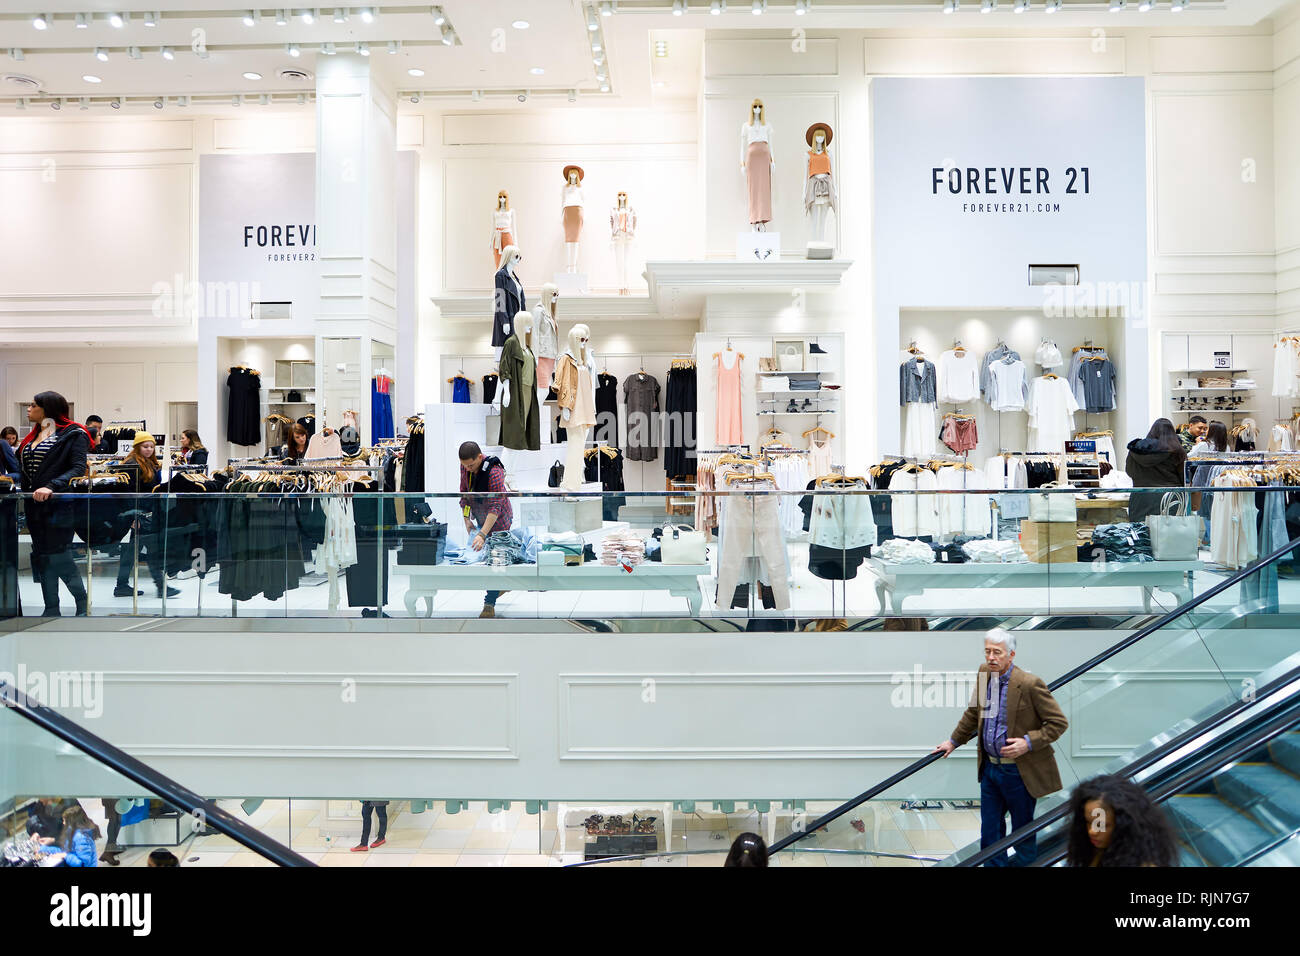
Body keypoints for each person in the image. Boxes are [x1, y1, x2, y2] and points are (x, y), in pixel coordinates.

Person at [933, 631, 1068, 866]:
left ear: (1011, 655)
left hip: (1019, 773)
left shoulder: (1029, 684)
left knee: (1022, 831)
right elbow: (974, 712)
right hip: (990, 770)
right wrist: (953, 741)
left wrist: (1027, 742)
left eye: (997, 652)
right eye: (988, 651)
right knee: (990, 833)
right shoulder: (984, 673)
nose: (991, 657)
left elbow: (1058, 723)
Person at [17, 391, 91, 616]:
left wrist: (52, 485)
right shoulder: (34, 436)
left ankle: (82, 601)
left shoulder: (73, 433)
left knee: (60, 556)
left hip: (59, 505)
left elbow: (78, 468)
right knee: (43, 557)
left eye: (33, 405)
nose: (29, 409)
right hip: (34, 506)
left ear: (46, 408)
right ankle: (51, 607)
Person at [111, 433, 179, 599]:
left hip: (146, 513)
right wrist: (132, 516)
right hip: (139, 514)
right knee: (151, 550)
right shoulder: (131, 465)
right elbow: (126, 493)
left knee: (130, 552)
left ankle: (121, 586)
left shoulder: (148, 463)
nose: (149, 449)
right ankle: (161, 586)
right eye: (145, 446)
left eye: (151, 446)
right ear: (137, 447)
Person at [1065, 774, 1178, 867]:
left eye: (1101, 825)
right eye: (1088, 822)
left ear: (1125, 825)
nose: (1092, 831)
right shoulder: (1098, 849)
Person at [458, 441, 513, 618]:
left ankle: (489, 604)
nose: (468, 469)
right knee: (487, 558)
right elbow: (465, 495)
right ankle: (501, 586)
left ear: (480, 457)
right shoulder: (465, 468)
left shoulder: (495, 472)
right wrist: (466, 519)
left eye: (471, 465)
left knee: (495, 559)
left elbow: (496, 507)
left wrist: (482, 534)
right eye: (465, 466)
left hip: (501, 520)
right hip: (481, 517)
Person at [1125, 417, 1188, 524]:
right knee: (1168, 536)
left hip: (1141, 497)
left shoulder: (1136, 450)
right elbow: (1184, 479)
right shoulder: (1177, 451)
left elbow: (1129, 471)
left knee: (1141, 534)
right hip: (1170, 498)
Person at [1190, 420, 1227, 546]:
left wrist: (1196, 444)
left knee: (1205, 509)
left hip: (1203, 479)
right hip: (1219, 480)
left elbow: (1190, 456)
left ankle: (1210, 538)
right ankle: (1210, 537)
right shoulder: (1226, 447)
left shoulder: (1204, 445)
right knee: (1215, 508)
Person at [37, 804, 101, 867]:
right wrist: (44, 849)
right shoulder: (72, 833)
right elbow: (65, 851)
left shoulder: (81, 838)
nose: (63, 823)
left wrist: (65, 856)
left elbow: (81, 863)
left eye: (64, 820)